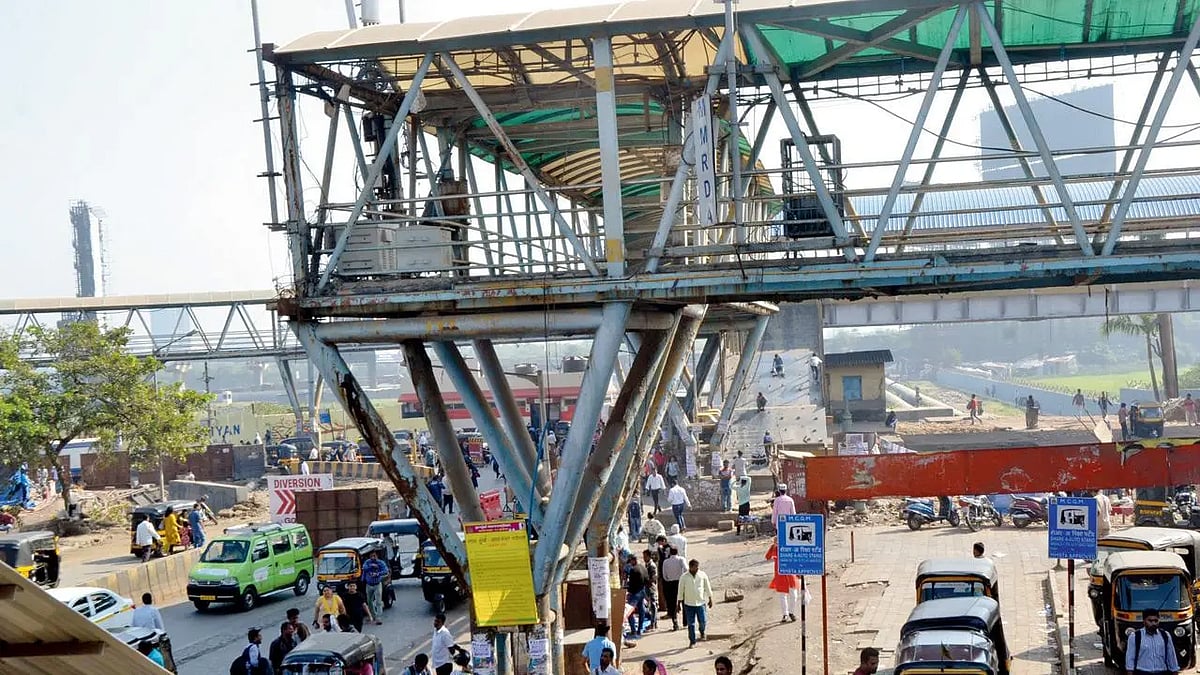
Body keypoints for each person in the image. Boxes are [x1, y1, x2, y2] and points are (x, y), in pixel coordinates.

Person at [1125, 608, 1179, 675]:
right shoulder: (1135, 637)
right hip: (1142, 672)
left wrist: (1175, 671)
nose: (1153, 623)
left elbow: (1171, 656)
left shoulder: (1165, 635)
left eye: (1156, 621)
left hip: (1162, 672)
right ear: (1144, 621)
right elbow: (1130, 658)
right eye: (1150, 621)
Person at [679, 559, 713, 648]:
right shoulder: (684, 577)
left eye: (698, 567)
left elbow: (707, 586)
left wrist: (710, 598)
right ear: (690, 567)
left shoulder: (702, 575)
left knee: (703, 621)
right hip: (689, 604)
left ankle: (702, 631)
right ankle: (692, 641)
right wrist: (678, 603)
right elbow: (680, 590)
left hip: (700, 603)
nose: (697, 569)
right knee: (691, 624)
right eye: (695, 567)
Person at [765, 542, 799, 622]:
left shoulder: (791, 544)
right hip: (780, 574)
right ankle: (785, 614)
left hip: (791, 573)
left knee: (794, 595)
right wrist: (774, 546)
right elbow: (767, 557)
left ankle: (791, 612)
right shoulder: (775, 546)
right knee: (782, 596)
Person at [661, 546, 685, 631]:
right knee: (683, 600)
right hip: (680, 582)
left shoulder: (665, 562)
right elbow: (686, 569)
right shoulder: (681, 560)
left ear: (670, 552)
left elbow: (664, 575)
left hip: (670, 584)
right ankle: (685, 621)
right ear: (677, 552)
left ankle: (675, 623)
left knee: (672, 603)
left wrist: (668, 579)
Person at [361, 551, 388, 625]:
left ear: (377, 556)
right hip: (369, 584)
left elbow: (385, 570)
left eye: (374, 556)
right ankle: (373, 615)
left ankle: (379, 617)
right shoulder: (367, 562)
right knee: (369, 601)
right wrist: (371, 566)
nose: (373, 558)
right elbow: (364, 568)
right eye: (371, 556)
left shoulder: (380, 563)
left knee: (378, 601)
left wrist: (378, 573)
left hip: (377, 584)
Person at [626, 554, 649, 637]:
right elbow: (647, 580)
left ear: (633, 560)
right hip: (642, 591)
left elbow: (631, 584)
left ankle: (633, 630)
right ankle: (640, 629)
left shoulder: (633, 570)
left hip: (634, 593)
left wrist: (629, 591)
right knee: (641, 611)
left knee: (629, 612)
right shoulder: (644, 568)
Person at [642, 549, 659, 630]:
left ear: (649, 556)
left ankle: (653, 623)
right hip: (648, 587)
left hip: (651, 587)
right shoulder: (647, 565)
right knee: (650, 606)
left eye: (645, 556)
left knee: (653, 605)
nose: (644, 558)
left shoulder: (652, 565)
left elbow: (654, 577)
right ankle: (654, 622)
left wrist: (647, 581)